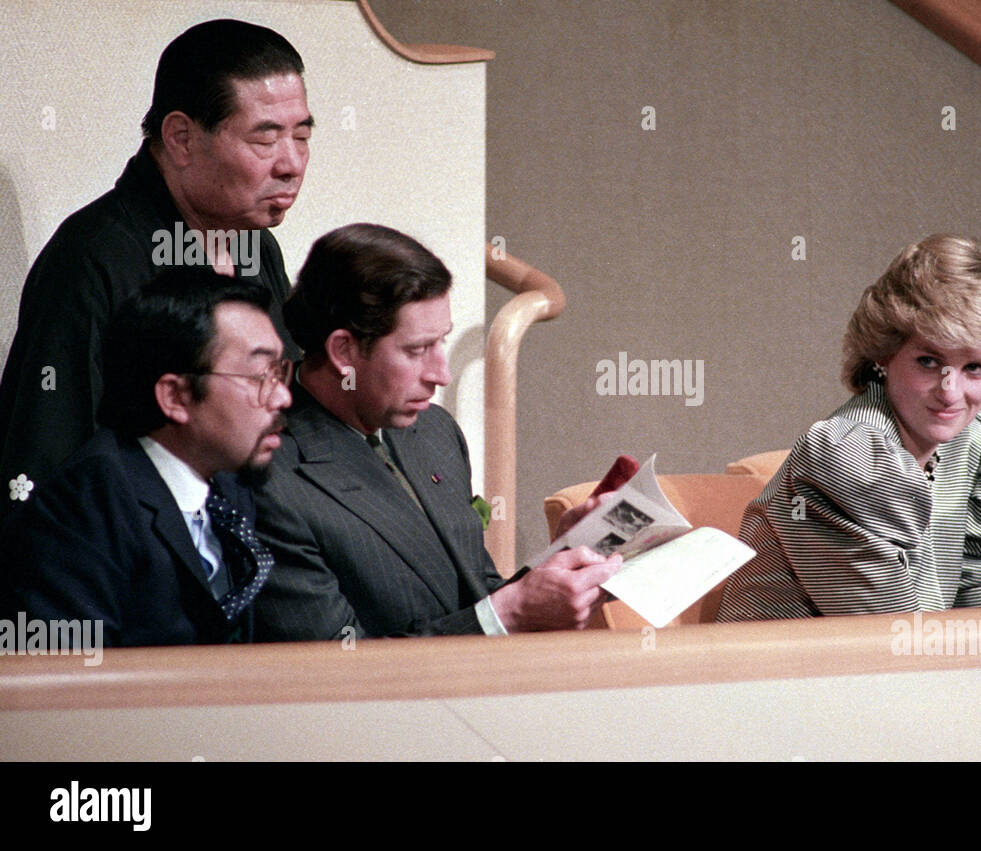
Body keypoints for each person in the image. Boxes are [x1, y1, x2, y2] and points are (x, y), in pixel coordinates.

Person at [0, 19, 312, 526]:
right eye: (266, 140)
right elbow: (50, 467)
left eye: (301, 136)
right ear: (182, 137)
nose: (291, 164)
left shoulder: (258, 248)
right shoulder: (92, 258)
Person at [252, 223, 621, 640]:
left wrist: (566, 557)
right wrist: (509, 613)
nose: (441, 375)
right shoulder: (265, 475)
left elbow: (478, 598)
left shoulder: (433, 430)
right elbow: (333, 667)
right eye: (416, 350)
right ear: (344, 351)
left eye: (441, 342)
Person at [715, 235, 981, 620]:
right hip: (788, 673)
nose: (952, 393)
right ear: (885, 353)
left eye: (974, 368)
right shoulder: (847, 458)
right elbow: (894, 640)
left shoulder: (977, 446)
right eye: (929, 362)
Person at [0, 269, 293, 646]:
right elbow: (68, 687)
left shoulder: (228, 482)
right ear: (175, 396)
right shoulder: (82, 510)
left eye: (279, 372)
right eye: (258, 376)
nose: (283, 398)